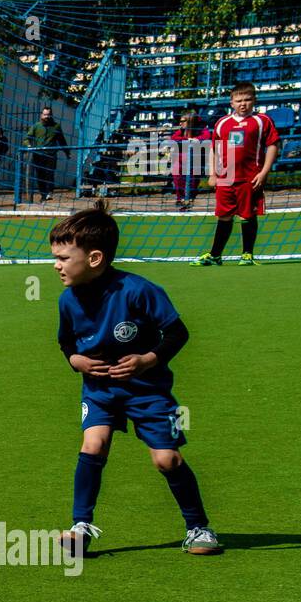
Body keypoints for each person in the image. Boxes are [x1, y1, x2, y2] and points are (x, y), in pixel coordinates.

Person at [51, 200, 221, 557]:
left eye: (64, 258)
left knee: (166, 460)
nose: (57, 266)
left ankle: (198, 527)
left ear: (94, 258)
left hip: (148, 391)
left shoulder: (138, 290)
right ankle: (80, 527)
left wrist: (147, 359)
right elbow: (66, 341)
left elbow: (177, 333)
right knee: (93, 445)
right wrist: (76, 360)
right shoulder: (68, 300)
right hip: (99, 390)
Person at [191, 82, 279, 266]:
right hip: (225, 179)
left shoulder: (262, 121)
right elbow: (215, 150)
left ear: (254, 101)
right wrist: (213, 174)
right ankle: (215, 255)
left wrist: (264, 172)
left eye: (247, 100)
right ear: (231, 102)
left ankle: (247, 254)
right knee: (224, 216)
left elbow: (272, 145)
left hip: (250, 178)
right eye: (238, 100)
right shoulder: (222, 123)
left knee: (248, 215)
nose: (243, 104)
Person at [23, 105, 70, 201]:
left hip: (51, 154)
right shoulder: (36, 126)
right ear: (41, 115)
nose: (46, 117)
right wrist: (29, 146)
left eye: (48, 115)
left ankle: (49, 192)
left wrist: (67, 152)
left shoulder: (56, 126)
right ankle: (43, 195)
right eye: (44, 115)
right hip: (38, 155)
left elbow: (62, 140)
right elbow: (27, 138)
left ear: (51, 115)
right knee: (40, 175)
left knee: (49, 173)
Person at [169, 111, 211, 210]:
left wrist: (196, 139)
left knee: (193, 179)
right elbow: (174, 138)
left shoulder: (200, 129)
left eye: (183, 121)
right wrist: (189, 141)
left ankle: (190, 197)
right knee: (177, 178)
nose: (180, 123)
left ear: (190, 121)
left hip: (195, 160)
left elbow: (207, 137)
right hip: (180, 160)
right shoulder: (181, 131)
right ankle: (180, 197)